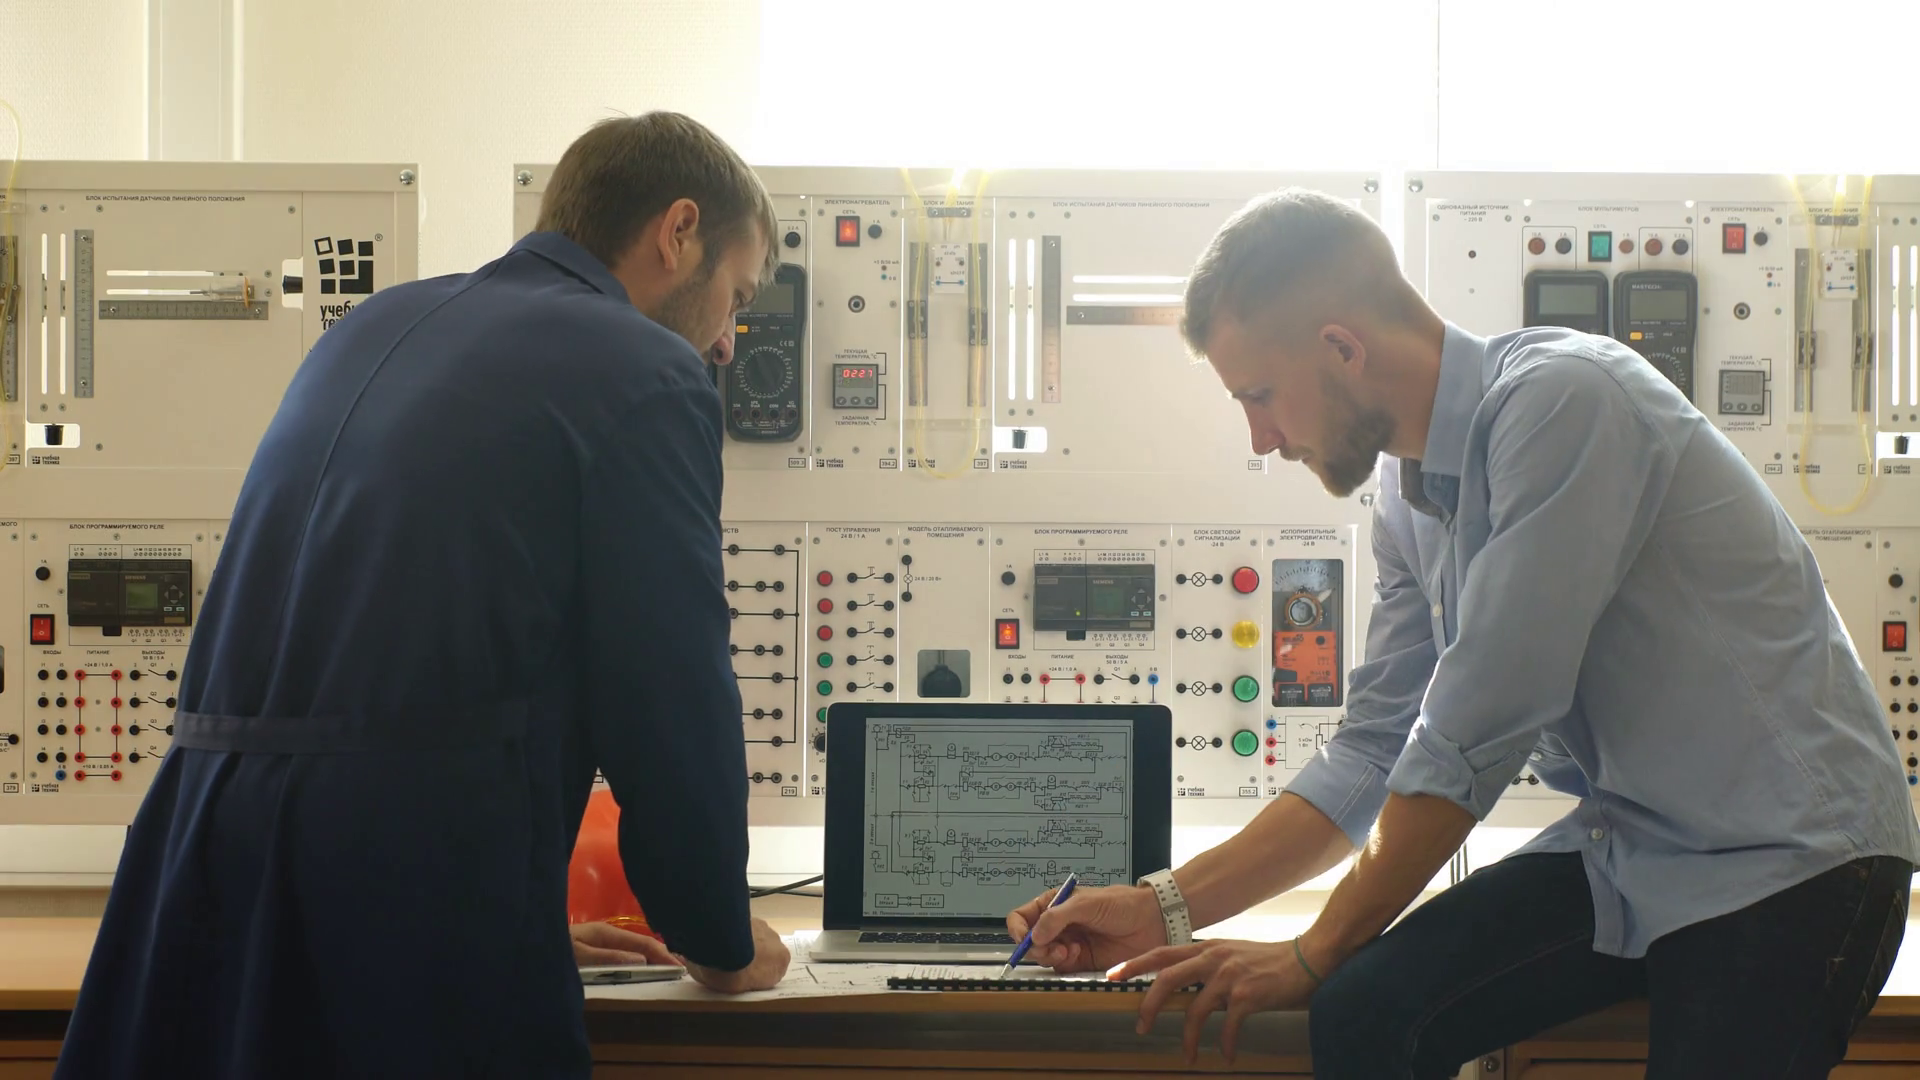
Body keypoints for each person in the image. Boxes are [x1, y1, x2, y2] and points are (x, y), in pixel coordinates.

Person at [1007, 189, 1920, 1077]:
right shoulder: (1407, 505)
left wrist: (1313, 948)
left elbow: (1478, 724)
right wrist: (1163, 908)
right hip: (1637, 845)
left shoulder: (1567, 400)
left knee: (1334, 974)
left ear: (1340, 347)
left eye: (1260, 395)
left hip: (1795, 859)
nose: (1260, 437)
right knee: (1365, 1010)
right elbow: (1368, 755)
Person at [57, 112, 791, 1079]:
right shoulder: (644, 373)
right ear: (678, 230)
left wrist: (528, 922)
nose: (728, 343)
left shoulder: (374, 326)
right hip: (403, 903)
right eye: (734, 297)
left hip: (203, 873)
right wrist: (717, 935)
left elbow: (363, 673)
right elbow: (669, 696)